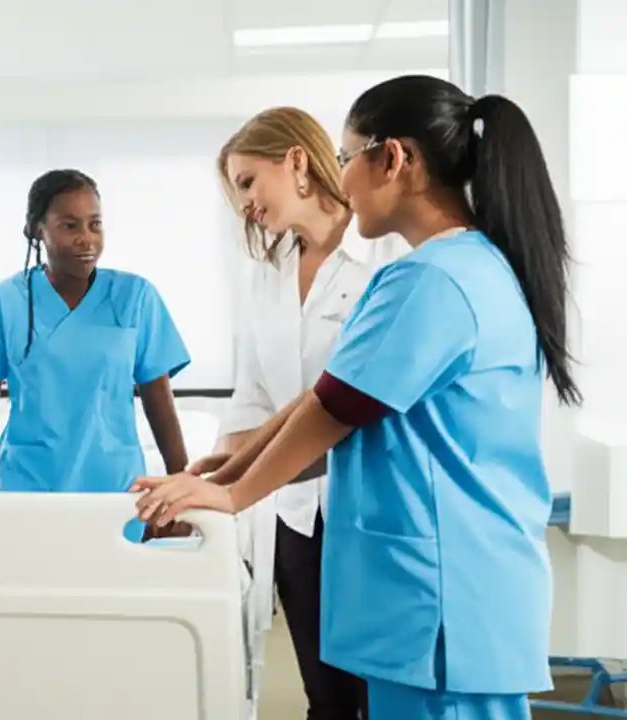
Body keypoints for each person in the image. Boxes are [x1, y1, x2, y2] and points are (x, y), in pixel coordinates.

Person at [135, 74, 577, 719]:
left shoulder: (429, 279)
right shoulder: (462, 267)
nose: (341, 178)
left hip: (440, 597)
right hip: (449, 589)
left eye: (347, 158)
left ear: (393, 158)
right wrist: (222, 471)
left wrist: (231, 496)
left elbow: (333, 411)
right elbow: (327, 395)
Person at [214, 107, 408, 719]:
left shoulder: (387, 252)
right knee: (326, 699)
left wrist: (229, 485)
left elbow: (359, 398)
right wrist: (208, 482)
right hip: (299, 518)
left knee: (383, 696)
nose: (242, 202)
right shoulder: (266, 275)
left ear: (296, 160)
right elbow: (254, 402)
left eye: (247, 182)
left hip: (375, 509)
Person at [0, 169, 191, 542]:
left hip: (114, 487)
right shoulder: (6, 301)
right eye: (69, 225)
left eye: (95, 224)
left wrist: (181, 484)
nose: (86, 239)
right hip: (27, 485)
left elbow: (157, 396)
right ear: (36, 229)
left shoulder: (135, 297)